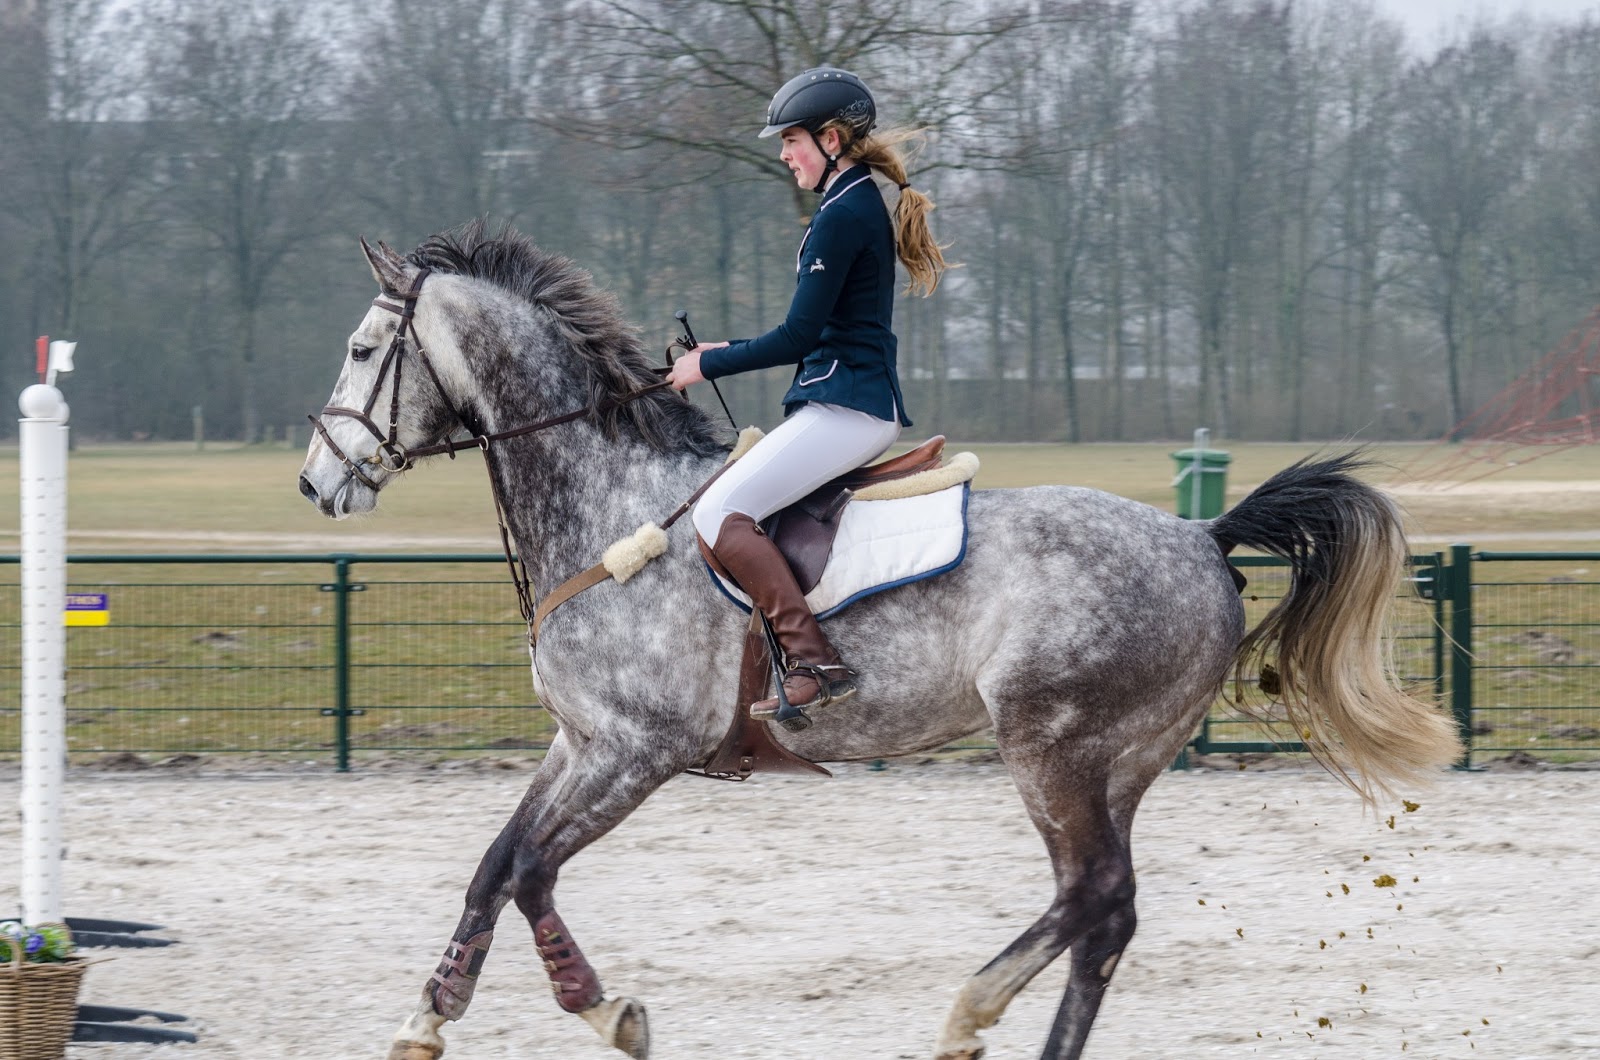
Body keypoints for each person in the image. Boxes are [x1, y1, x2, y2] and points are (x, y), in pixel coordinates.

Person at [667, 66, 949, 720]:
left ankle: (816, 662)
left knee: (718, 515)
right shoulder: (847, 203)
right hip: (843, 399)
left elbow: (797, 337)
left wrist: (705, 370)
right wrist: (720, 350)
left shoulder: (844, 212)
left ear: (831, 138)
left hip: (848, 407)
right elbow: (812, 331)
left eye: (791, 139)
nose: (784, 154)